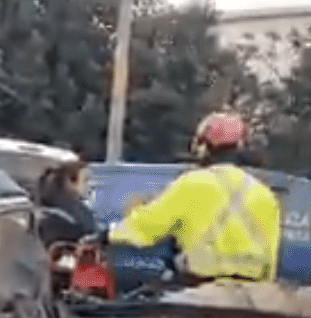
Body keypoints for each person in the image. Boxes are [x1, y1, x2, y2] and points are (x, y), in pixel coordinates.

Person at [104, 112, 282, 285]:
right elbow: (271, 261)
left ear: (202, 147)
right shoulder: (265, 194)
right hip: (253, 295)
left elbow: (147, 228)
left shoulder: (192, 184)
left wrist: (107, 234)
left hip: (203, 290)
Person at [33, 159, 100, 246]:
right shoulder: (55, 217)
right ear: (70, 183)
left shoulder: (76, 207)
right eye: (86, 180)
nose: (90, 185)